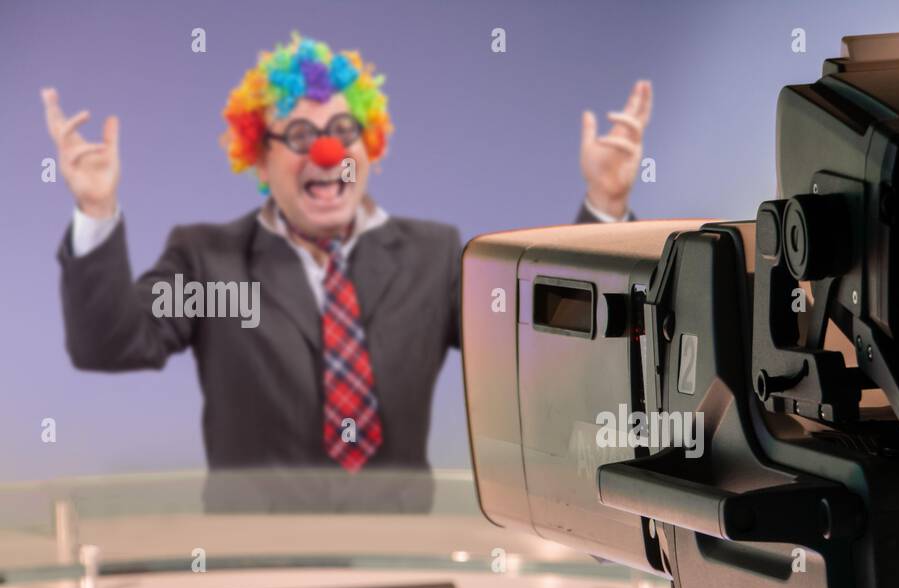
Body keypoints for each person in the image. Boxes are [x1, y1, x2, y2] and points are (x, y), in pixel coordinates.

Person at [43, 34, 653, 512]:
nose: (326, 151)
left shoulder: (433, 254)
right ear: (259, 154)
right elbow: (108, 343)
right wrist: (96, 210)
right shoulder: (208, 257)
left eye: (342, 130)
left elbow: (536, 349)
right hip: (252, 561)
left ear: (369, 145)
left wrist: (602, 207)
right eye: (301, 134)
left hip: (399, 555)